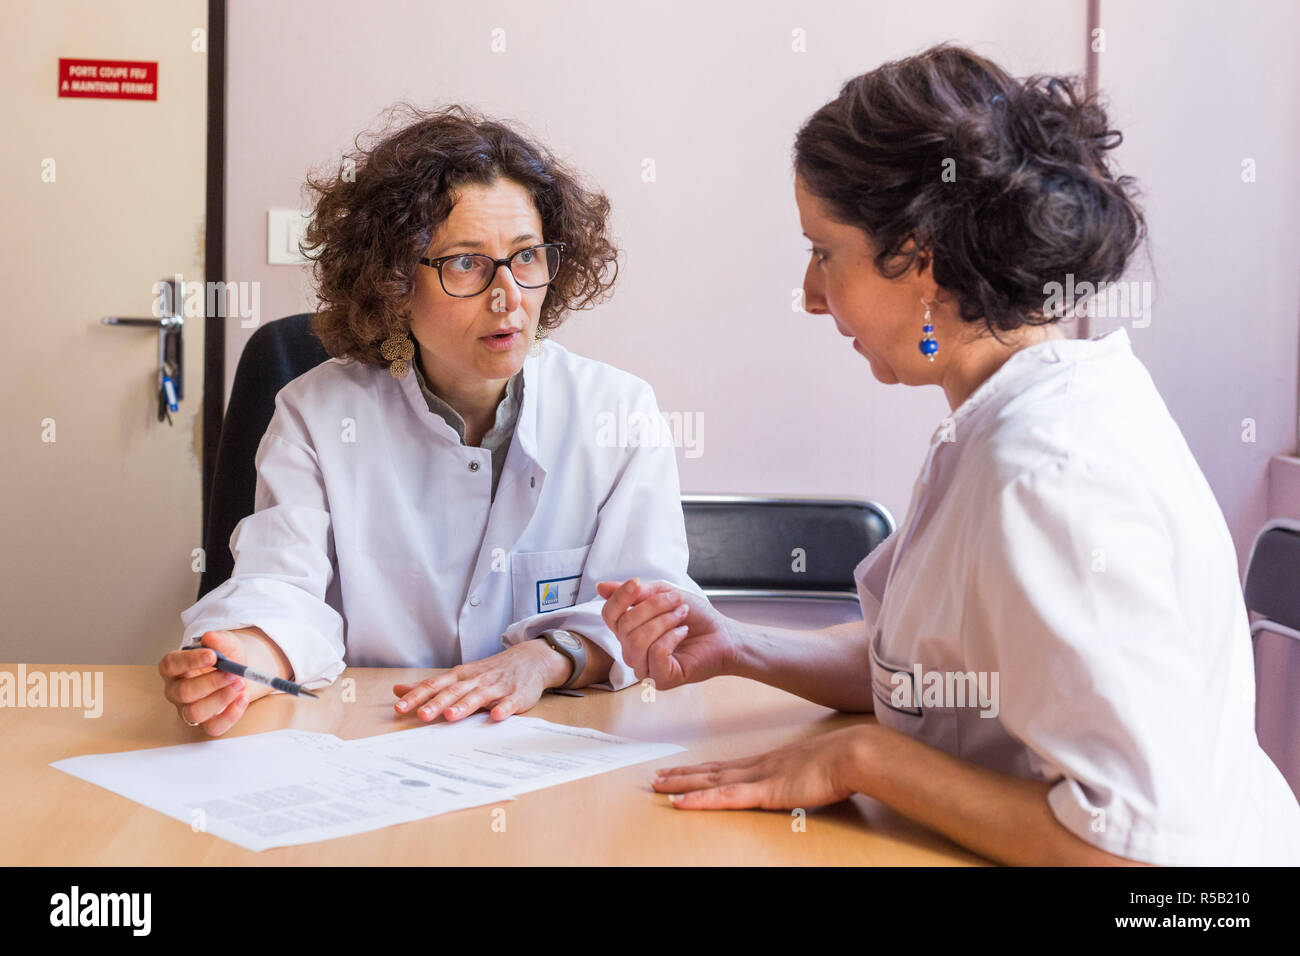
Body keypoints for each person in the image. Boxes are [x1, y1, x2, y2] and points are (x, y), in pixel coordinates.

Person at [597, 44, 1300, 866]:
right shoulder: (1009, 421)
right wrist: (739, 647)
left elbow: (1134, 859)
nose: (812, 296)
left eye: (825, 252)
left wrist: (864, 759)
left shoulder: (1051, 475)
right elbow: (931, 676)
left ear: (921, 258)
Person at [161, 104, 699, 736]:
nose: (509, 299)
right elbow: (284, 591)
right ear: (391, 282)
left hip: (553, 751)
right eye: (465, 263)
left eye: (526, 257)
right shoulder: (316, 413)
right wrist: (242, 656)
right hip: (370, 740)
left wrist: (548, 656)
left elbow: (651, 612)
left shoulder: (618, 413)